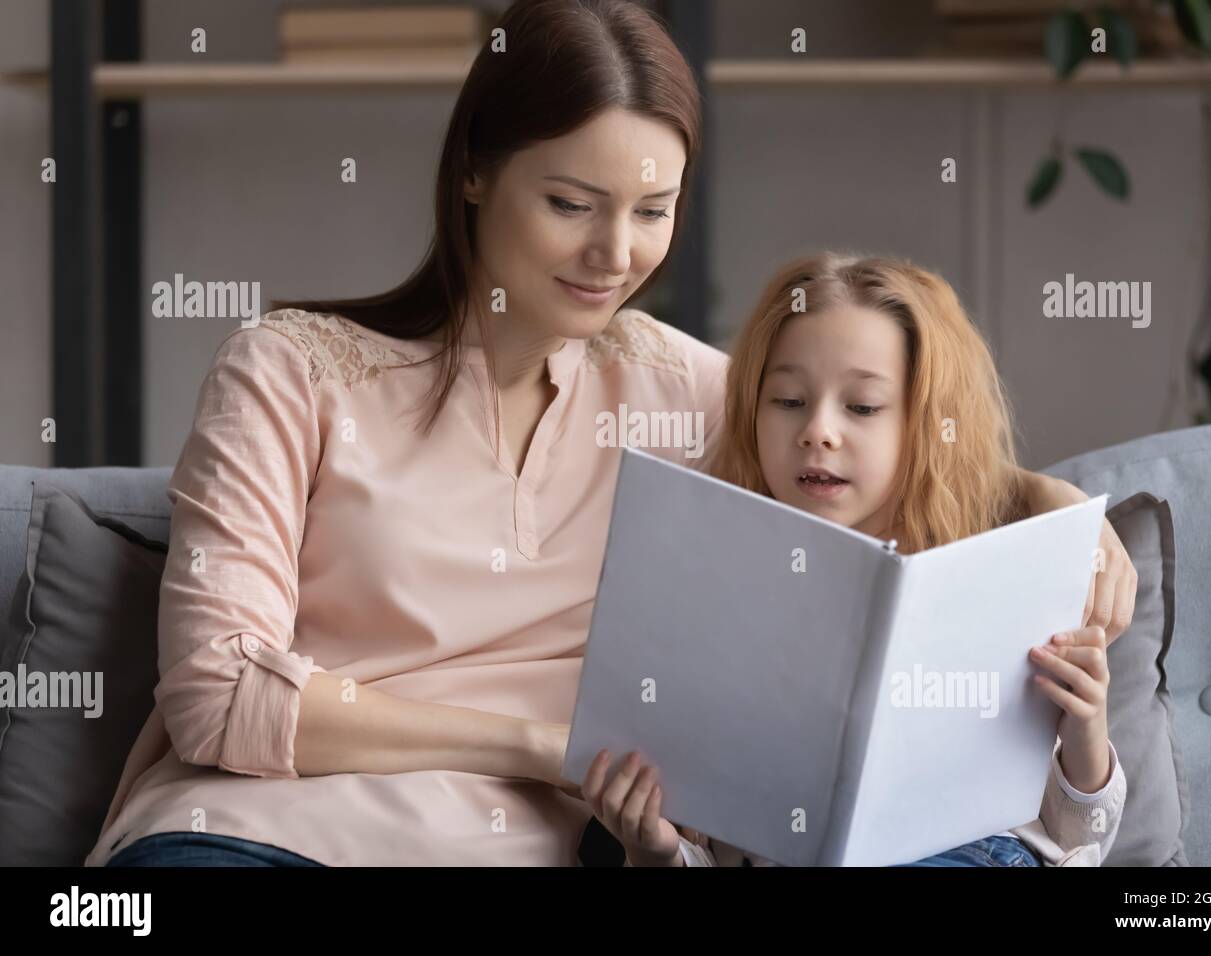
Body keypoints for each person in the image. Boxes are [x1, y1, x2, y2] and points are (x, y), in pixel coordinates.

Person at [89, 1, 1134, 867]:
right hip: (260, 837)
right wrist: (540, 744)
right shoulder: (288, 369)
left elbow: (871, 447)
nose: (613, 251)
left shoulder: (678, 383)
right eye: (572, 202)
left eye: (653, 209)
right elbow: (217, 692)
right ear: (474, 174)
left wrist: (1051, 506)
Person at [581, 254, 1128, 868]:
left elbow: (1084, 838)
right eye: (787, 400)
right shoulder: (705, 586)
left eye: (862, 407)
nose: (817, 430)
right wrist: (653, 852)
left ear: (923, 424)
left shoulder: (995, 567)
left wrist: (1086, 730)